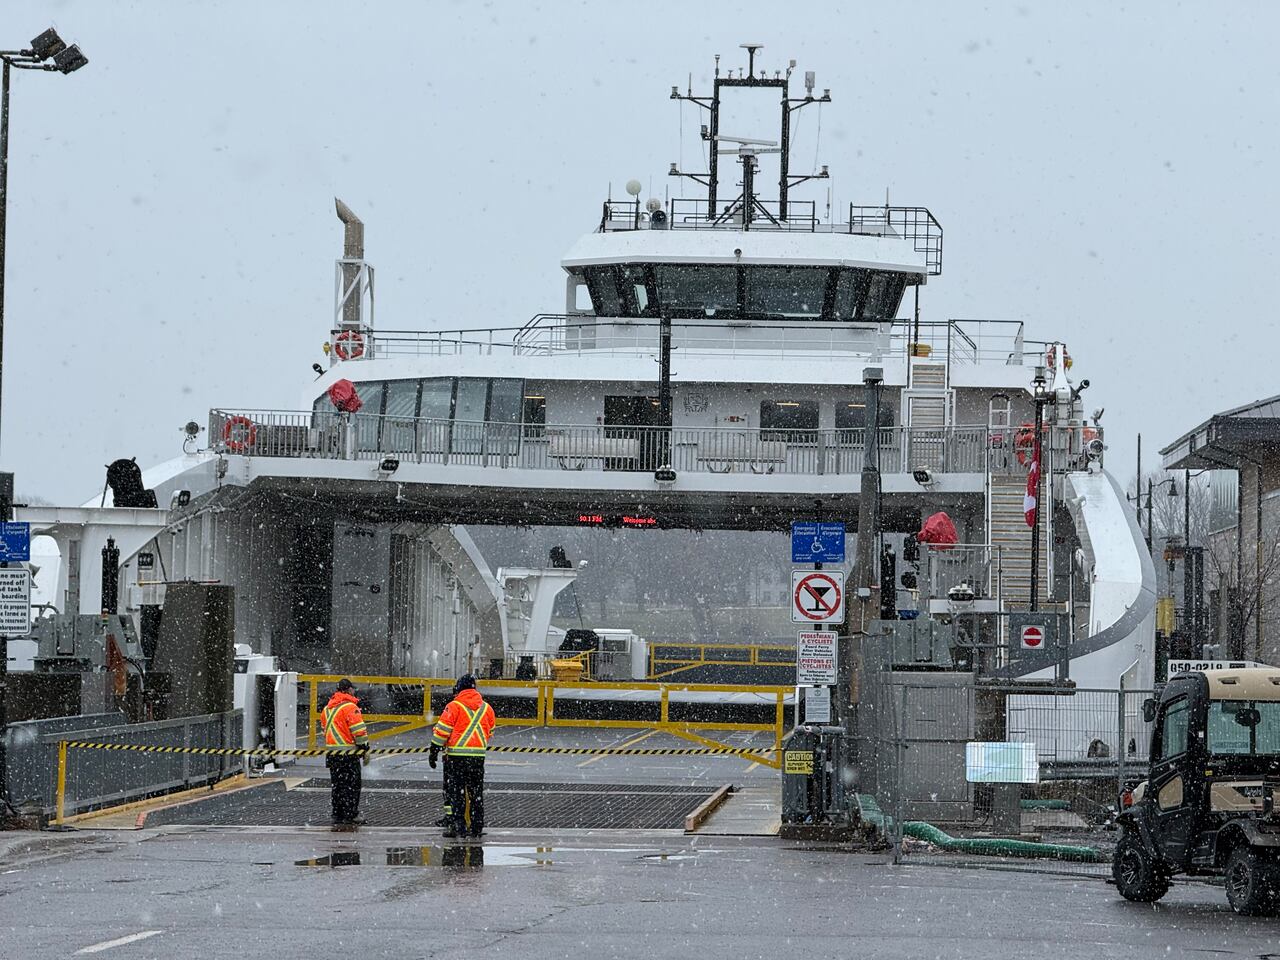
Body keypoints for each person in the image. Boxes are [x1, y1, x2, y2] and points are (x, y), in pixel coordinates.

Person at [429, 674, 495, 839]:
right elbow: (490, 732)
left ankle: (459, 827)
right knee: (476, 793)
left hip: (456, 757)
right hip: (478, 757)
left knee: (456, 792)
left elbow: (442, 732)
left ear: (459, 688)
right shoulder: (487, 708)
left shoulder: (454, 706)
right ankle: (477, 826)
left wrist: (434, 750)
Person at [323, 678, 369, 828]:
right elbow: (359, 732)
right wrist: (364, 748)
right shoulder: (350, 707)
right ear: (349, 690)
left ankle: (338, 814)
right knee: (352, 785)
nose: (354, 691)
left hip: (332, 755)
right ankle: (351, 815)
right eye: (353, 689)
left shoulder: (327, 709)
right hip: (348, 755)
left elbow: (325, 730)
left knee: (337, 785)